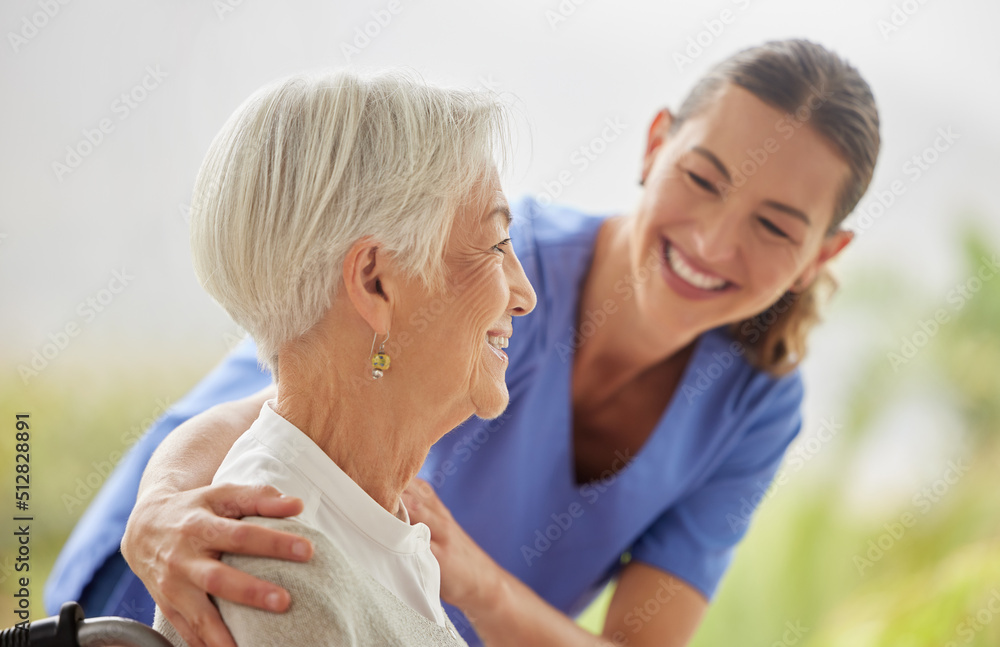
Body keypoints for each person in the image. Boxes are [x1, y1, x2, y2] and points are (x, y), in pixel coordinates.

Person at [46, 39, 880, 647]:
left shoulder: (754, 407)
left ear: (824, 254)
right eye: (702, 179)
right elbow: (287, 389)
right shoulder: (486, 266)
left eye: (775, 226)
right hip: (207, 582)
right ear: (656, 143)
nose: (712, 240)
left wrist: (474, 581)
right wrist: (161, 510)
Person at [139, 68, 537, 645]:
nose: (525, 295)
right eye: (496, 245)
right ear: (375, 283)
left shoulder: (363, 516)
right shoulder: (282, 568)